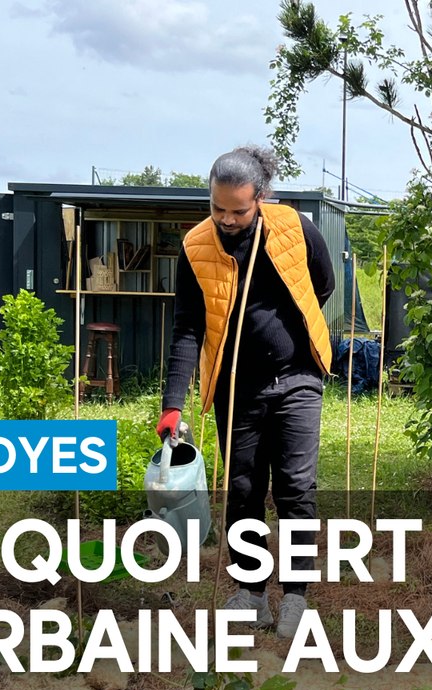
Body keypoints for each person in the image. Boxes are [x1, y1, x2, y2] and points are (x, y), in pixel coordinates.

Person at [158, 145, 335, 639]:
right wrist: (173, 404)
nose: (227, 219)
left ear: (261, 198)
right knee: (243, 490)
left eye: (239, 210)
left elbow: (321, 285)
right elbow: (188, 328)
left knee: (296, 489)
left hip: (299, 375)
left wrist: (285, 330)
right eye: (218, 208)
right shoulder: (196, 246)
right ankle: (250, 593)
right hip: (236, 388)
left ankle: (296, 597)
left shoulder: (297, 229)